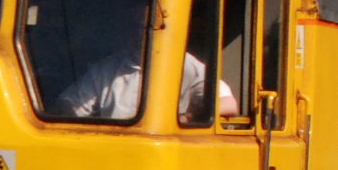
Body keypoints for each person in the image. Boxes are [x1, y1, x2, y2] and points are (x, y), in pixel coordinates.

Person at [53, 50, 238, 122]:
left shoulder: (185, 65)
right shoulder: (107, 69)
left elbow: (229, 105)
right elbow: (69, 106)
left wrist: (187, 117)